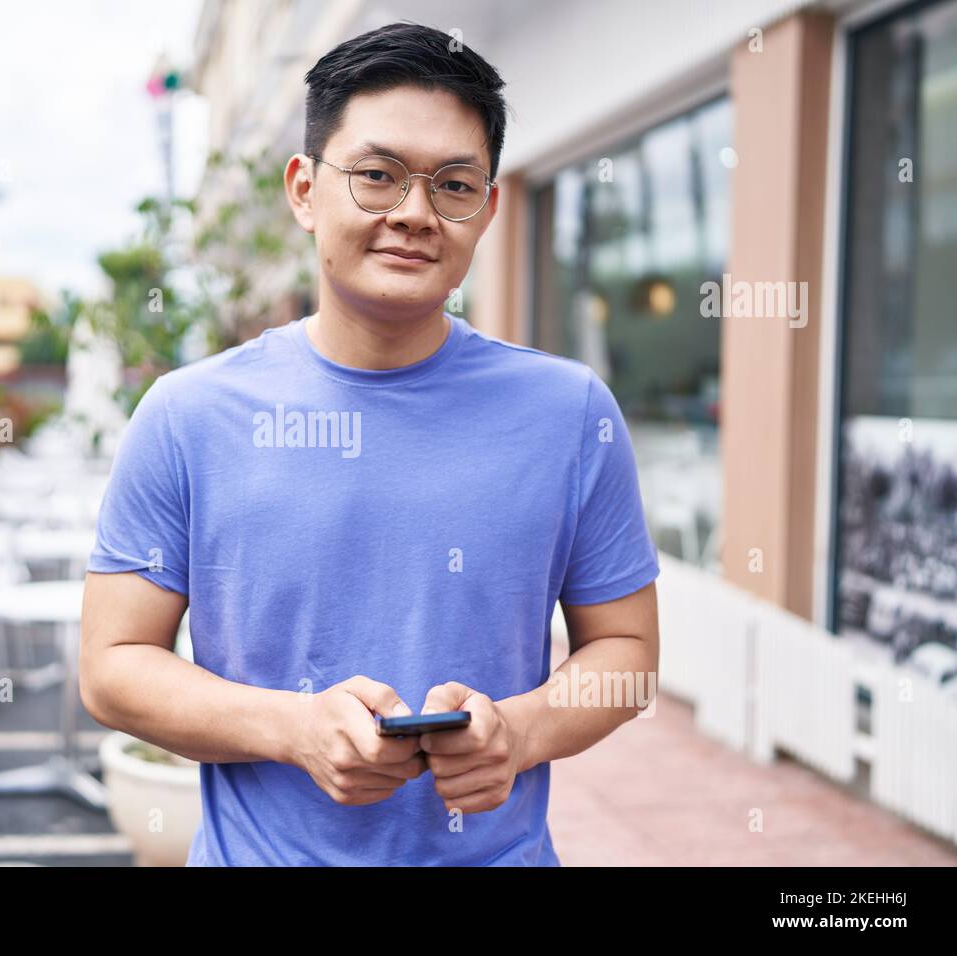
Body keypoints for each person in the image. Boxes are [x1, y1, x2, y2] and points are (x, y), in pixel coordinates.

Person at [80, 21, 660, 866]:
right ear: (306, 189)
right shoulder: (187, 415)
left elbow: (629, 652)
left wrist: (521, 733)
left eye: (453, 184)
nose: (415, 214)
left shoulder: (570, 413)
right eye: (378, 176)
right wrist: (295, 729)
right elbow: (112, 663)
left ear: (488, 208)